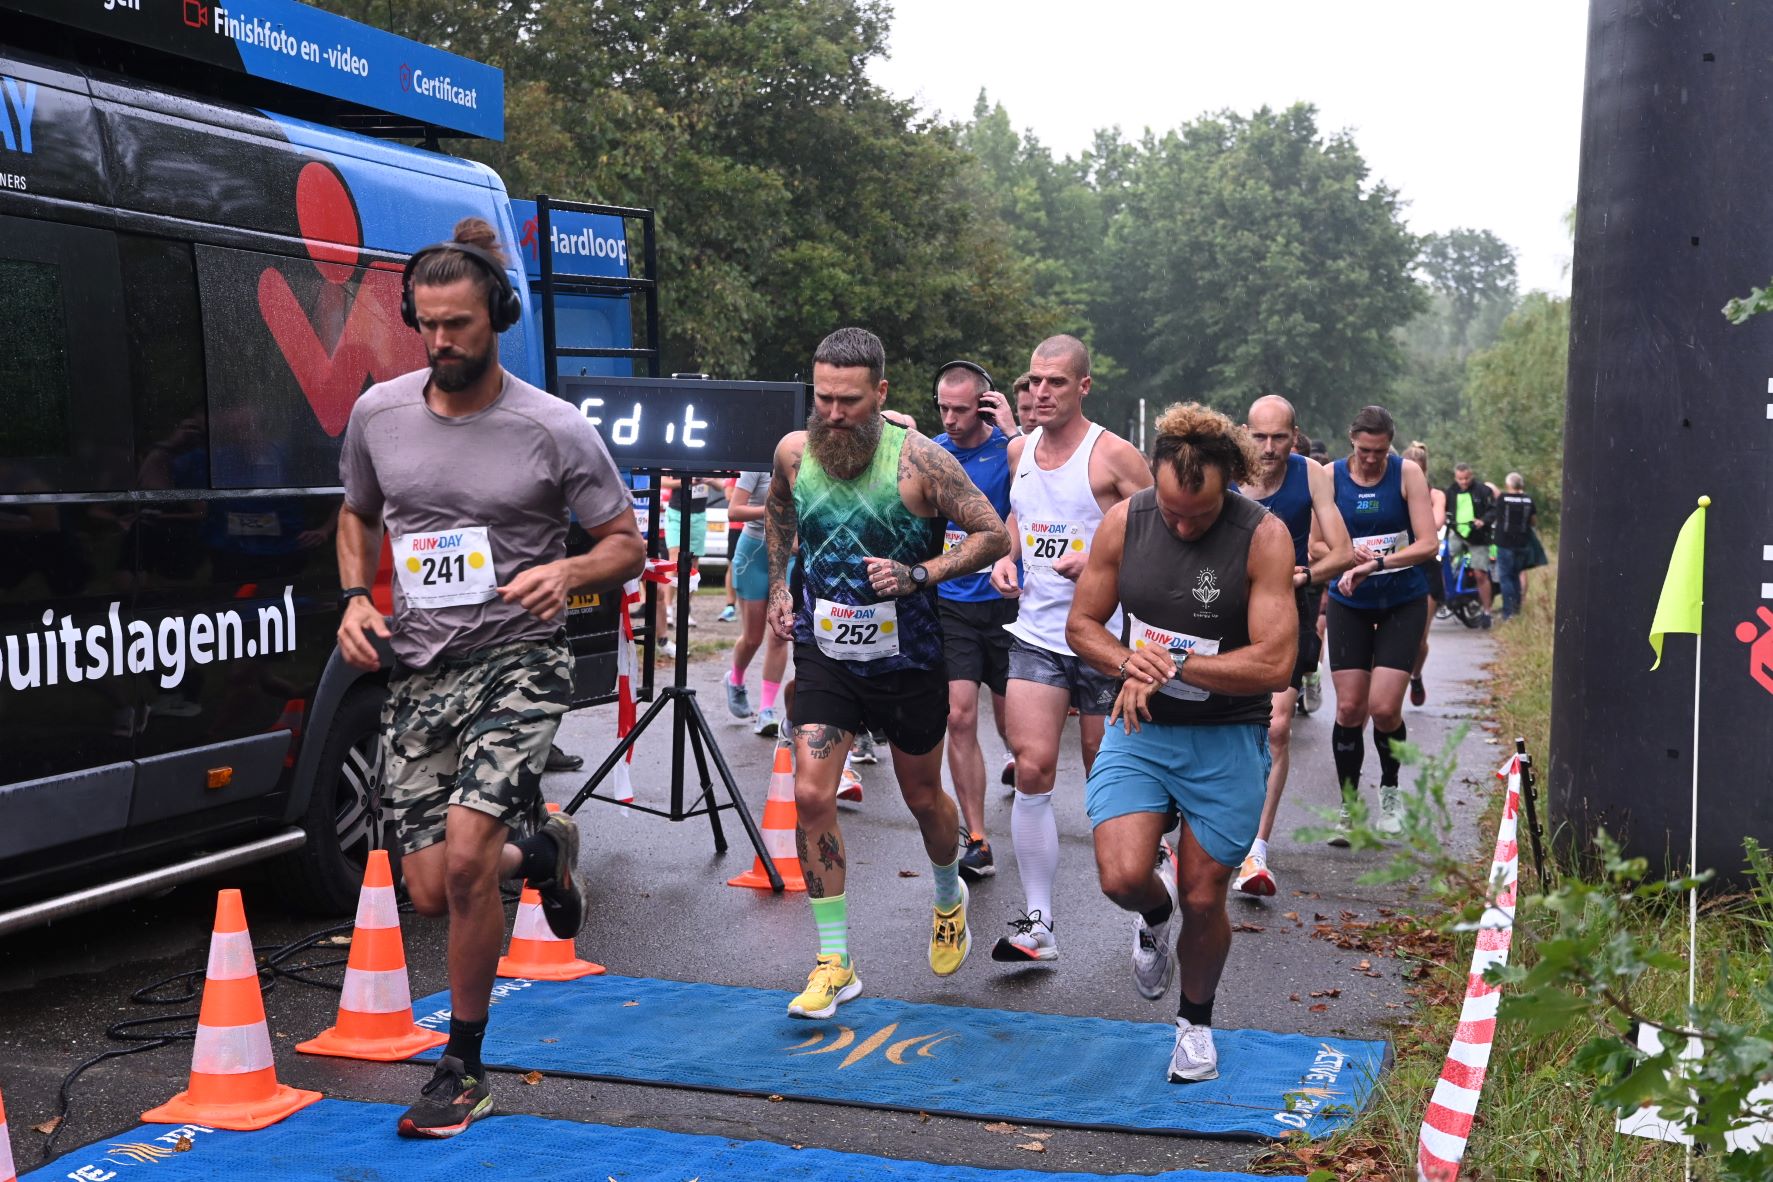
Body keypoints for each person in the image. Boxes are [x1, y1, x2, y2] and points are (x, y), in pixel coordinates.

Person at [336, 219, 645, 1138]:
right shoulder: (378, 415)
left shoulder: (554, 427)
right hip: (424, 668)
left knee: (469, 861)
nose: (441, 343)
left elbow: (624, 543)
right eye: (426, 325)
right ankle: (542, 852)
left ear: (497, 318)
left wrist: (568, 571)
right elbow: (354, 514)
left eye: (459, 325)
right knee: (431, 887)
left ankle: (462, 1064)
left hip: (520, 657)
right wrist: (355, 596)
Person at [765, 327, 1009, 1018]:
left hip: (909, 658)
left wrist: (919, 573)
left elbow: (993, 533)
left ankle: (944, 892)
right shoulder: (793, 451)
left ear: (880, 393)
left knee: (923, 799)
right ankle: (834, 961)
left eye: (848, 400)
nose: (833, 413)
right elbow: (781, 515)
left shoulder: (921, 461)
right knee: (812, 794)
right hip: (825, 653)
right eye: (822, 398)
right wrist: (782, 591)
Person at [1067, 402, 1295, 1082]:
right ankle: (1150, 916)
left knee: (1205, 896)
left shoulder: (1263, 536)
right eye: (1170, 511)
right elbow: (1083, 624)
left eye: (1197, 515)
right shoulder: (1124, 521)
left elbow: (1274, 662)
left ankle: (1194, 1024)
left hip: (1227, 735)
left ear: (1228, 481)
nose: (1182, 524)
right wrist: (1122, 662)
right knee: (1122, 876)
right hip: (1143, 728)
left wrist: (1171, 664)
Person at [987, 335, 1151, 961]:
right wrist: (1008, 555)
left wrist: (1102, 565)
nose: (1041, 393)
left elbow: (1162, 536)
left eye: (1056, 382)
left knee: (1104, 779)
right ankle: (1038, 923)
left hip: (1107, 643)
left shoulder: (1114, 456)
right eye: (1033, 382)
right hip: (1036, 635)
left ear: (1083, 385)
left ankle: (1147, 903)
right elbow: (1018, 518)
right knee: (1031, 768)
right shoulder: (1017, 450)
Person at [1231, 396, 1352, 896]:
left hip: (1286, 605)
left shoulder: (1312, 475)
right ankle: (1217, 834)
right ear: (1245, 433)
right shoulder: (1225, 468)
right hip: (1225, 604)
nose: (1269, 447)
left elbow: (1343, 552)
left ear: (1295, 436)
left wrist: (1304, 572)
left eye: (1279, 437)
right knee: (1225, 725)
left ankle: (1257, 851)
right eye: (1259, 436)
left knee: (1277, 728)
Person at [1326, 406, 1438, 841]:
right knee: (1350, 708)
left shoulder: (1407, 473)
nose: (1371, 459)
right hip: (1349, 600)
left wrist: (1376, 563)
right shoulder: (1331, 475)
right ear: (1351, 439)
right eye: (1363, 450)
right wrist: (1338, 555)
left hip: (1401, 599)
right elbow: (1317, 541)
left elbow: (1427, 544)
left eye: (1379, 450)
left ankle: (1390, 793)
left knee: (1385, 708)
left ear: (1390, 443)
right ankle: (1349, 809)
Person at [931, 361, 1021, 881]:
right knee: (960, 716)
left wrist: (1013, 431)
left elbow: (1045, 479)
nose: (950, 419)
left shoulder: (1010, 450)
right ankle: (979, 839)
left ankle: (1034, 822)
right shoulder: (935, 453)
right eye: (943, 408)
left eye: (961, 409)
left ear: (984, 405)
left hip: (1007, 601)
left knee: (1016, 730)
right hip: (954, 603)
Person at [723, 469, 791, 734]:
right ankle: (736, 680)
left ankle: (766, 710)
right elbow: (734, 511)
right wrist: (772, 510)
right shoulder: (756, 467)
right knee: (753, 638)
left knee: (780, 633)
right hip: (754, 552)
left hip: (790, 552)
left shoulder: (810, 459)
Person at [1400, 443, 1446, 707]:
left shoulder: (1435, 494)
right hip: (1398, 565)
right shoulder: (1394, 491)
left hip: (1426, 566)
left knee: (1419, 638)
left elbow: (1436, 523)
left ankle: (1415, 675)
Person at [1443, 463, 1496, 630]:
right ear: (1455, 477)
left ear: (1471, 476)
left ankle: (1487, 612)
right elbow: (1442, 509)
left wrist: (1483, 521)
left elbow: (1494, 510)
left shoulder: (1483, 491)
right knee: (1441, 561)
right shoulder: (1450, 491)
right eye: (1460, 479)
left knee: (1481, 573)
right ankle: (1442, 596)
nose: (1463, 482)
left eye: (1466, 478)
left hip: (1478, 536)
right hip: (1457, 533)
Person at [1493, 473, 1538, 620]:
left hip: (1505, 543)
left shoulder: (1503, 499)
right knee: (1517, 576)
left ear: (1508, 485)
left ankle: (1508, 613)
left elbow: (1496, 515)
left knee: (1506, 578)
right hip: (1522, 543)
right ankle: (1517, 611)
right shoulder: (1528, 500)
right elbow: (1533, 521)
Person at [1012, 371, 1038, 436]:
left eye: (1039, 408)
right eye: (1025, 409)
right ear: (1016, 410)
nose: (1032, 417)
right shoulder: (999, 442)